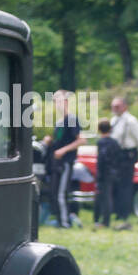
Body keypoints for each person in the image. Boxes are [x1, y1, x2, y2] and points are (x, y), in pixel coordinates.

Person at [43, 90, 84, 228]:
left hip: (66, 162)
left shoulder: (71, 119)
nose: (57, 104)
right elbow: (61, 140)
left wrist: (63, 150)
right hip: (56, 163)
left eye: (59, 101)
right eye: (55, 101)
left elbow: (81, 140)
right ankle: (61, 220)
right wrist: (50, 142)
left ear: (66, 102)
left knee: (61, 193)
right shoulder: (59, 122)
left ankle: (65, 223)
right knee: (53, 192)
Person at [109, 95, 138, 230]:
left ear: (124, 107)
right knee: (116, 185)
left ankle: (125, 212)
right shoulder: (114, 120)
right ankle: (117, 211)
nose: (114, 109)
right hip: (116, 154)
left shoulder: (131, 121)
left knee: (125, 185)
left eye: (117, 106)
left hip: (127, 154)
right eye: (113, 107)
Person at [92, 119, 121, 229]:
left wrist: (98, 175)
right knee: (107, 196)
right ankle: (101, 219)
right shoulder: (115, 143)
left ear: (99, 129)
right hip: (113, 172)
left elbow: (101, 160)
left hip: (104, 173)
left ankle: (104, 221)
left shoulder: (101, 142)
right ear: (110, 129)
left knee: (104, 197)